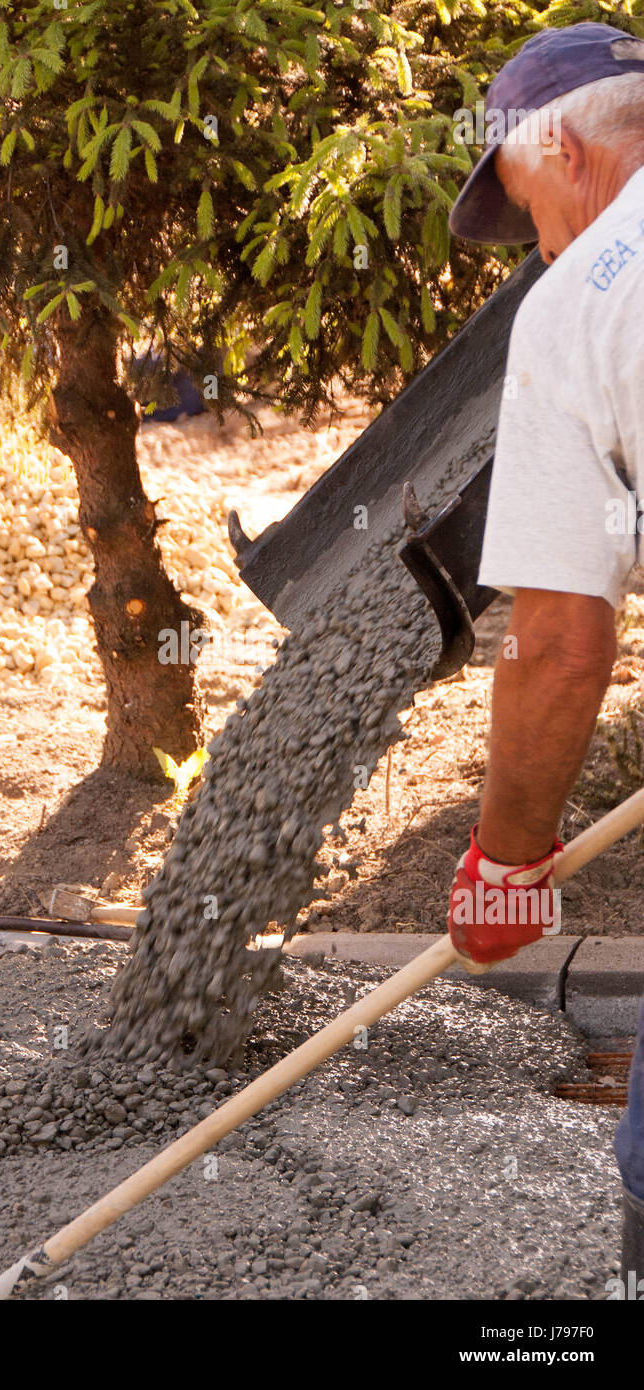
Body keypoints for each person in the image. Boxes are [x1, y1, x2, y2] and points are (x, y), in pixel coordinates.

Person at [445, 20, 644, 1292]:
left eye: (528, 212)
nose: (541, 250)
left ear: (564, 151)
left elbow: (563, 641)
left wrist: (507, 864)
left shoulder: (586, 299)